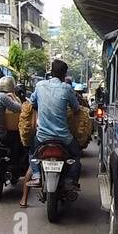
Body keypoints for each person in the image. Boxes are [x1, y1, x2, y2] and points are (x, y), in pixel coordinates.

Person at [29, 59, 82, 193]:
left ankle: (36, 175)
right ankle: (70, 181)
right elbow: (76, 109)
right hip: (63, 137)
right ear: (65, 75)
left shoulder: (40, 86)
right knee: (75, 155)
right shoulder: (67, 88)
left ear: (51, 72)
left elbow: (32, 103)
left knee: (32, 153)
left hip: (42, 137)